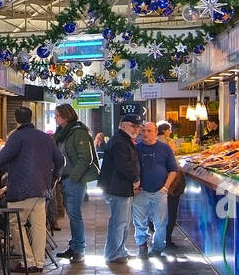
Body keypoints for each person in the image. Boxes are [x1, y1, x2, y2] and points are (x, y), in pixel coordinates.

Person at [0, 106, 62, 272]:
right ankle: (39, 263)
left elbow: (1, 158)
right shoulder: (44, 137)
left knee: (16, 225)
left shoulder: (17, 137)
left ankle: (28, 262)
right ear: (31, 118)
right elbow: (60, 159)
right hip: (42, 190)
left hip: (21, 190)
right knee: (39, 227)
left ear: (16, 120)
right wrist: (53, 177)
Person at [54, 103, 98, 263]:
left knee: (74, 215)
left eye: (57, 115)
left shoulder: (78, 132)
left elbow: (85, 158)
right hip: (65, 179)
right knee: (72, 214)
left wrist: (73, 177)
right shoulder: (62, 133)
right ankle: (74, 246)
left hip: (74, 180)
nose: (55, 118)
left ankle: (79, 249)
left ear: (66, 116)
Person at [96, 114, 141, 264]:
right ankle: (113, 253)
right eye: (132, 126)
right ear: (122, 125)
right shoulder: (120, 142)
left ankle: (120, 250)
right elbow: (124, 165)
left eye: (137, 127)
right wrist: (135, 179)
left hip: (120, 186)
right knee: (119, 222)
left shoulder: (123, 140)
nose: (136, 129)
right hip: (117, 187)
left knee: (123, 221)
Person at [132, 122, 178, 258]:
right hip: (141, 192)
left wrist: (166, 187)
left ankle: (158, 248)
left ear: (156, 132)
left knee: (160, 222)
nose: (146, 134)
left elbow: (173, 170)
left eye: (149, 131)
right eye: (144, 131)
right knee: (139, 221)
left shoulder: (164, 148)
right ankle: (142, 245)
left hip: (160, 192)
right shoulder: (136, 149)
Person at [156, 121, 186, 248]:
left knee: (159, 212)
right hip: (170, 183)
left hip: (157, 182)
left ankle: (159, 238)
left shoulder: (152, 143)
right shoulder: (168, 142)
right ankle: (166, 238)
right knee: (171, 211)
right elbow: (174, 156)